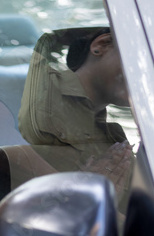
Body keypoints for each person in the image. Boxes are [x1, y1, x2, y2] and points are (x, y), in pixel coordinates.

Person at [17, 27, 134, 196]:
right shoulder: (43, 93)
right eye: (144, 62)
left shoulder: (114, 140)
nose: (149, 79)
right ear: (102, 45)